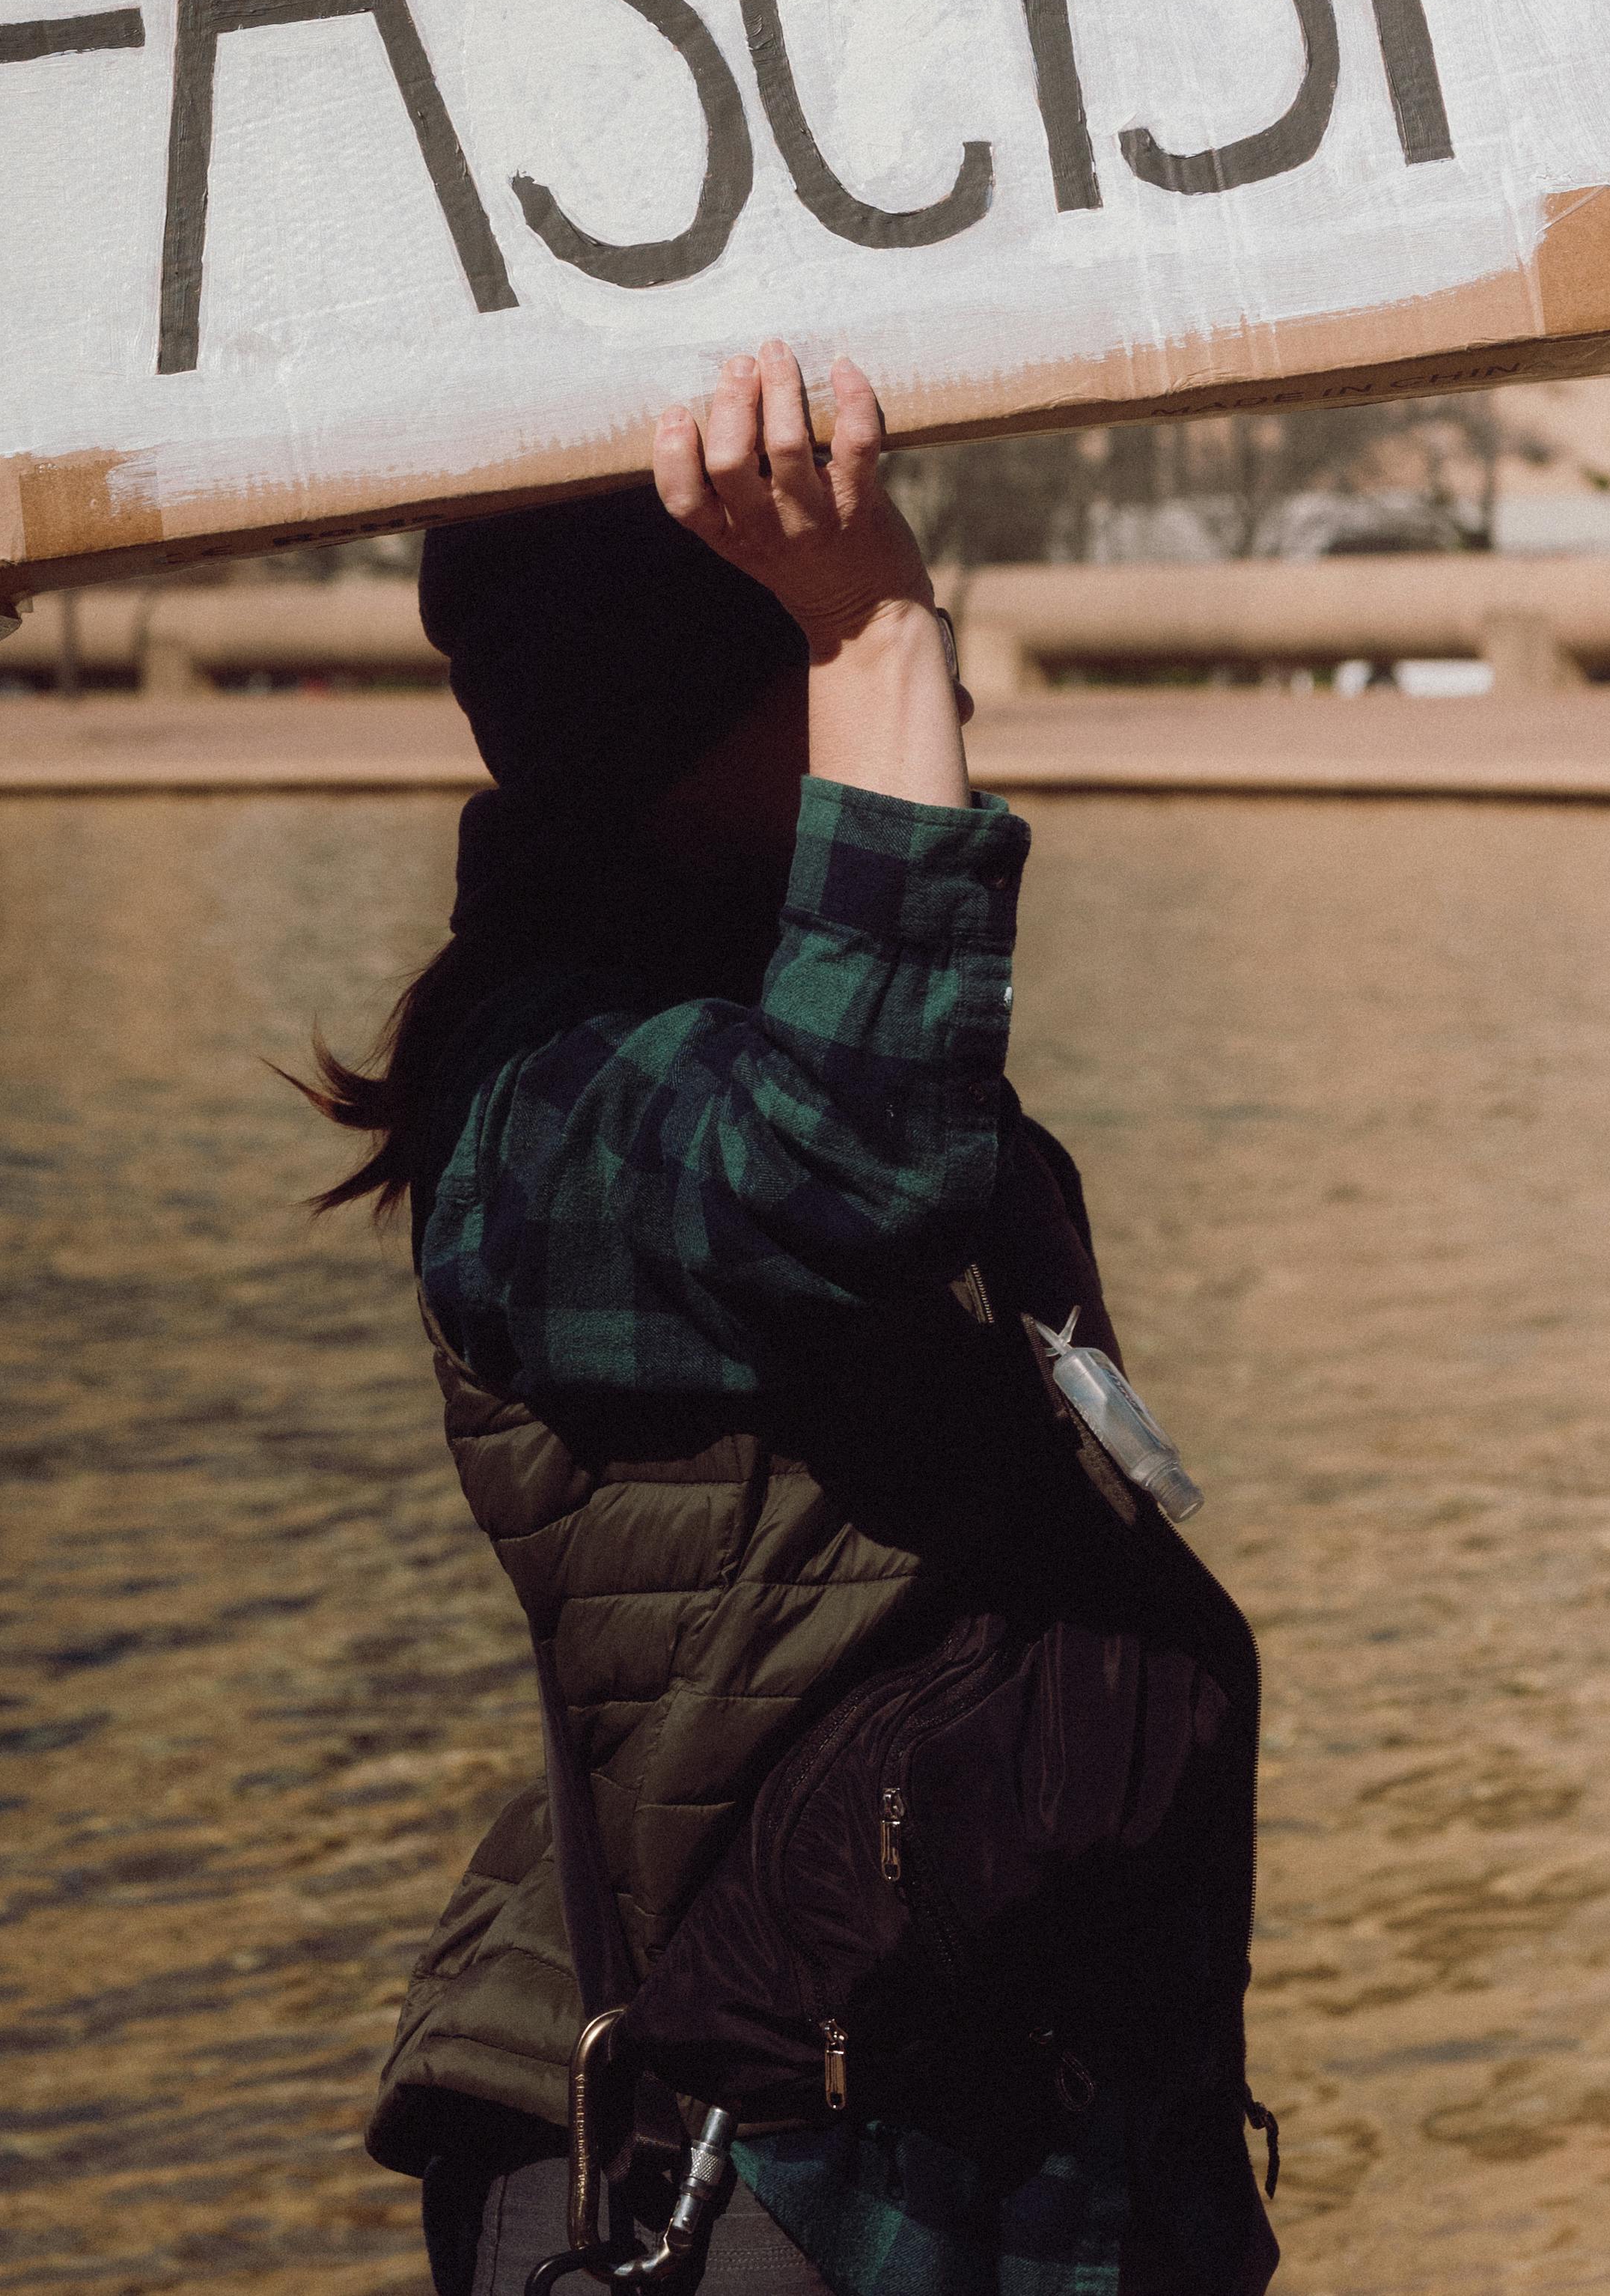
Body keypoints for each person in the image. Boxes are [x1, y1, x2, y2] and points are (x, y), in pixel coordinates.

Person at [315, 341, 1277, 2296]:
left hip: (982, 2159)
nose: (932, 698)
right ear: (665, 729)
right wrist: (871, 618)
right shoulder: (542, 1108)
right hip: (773, 2185)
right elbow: (855, 1149)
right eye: (799, 671)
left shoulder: (721, 1032)